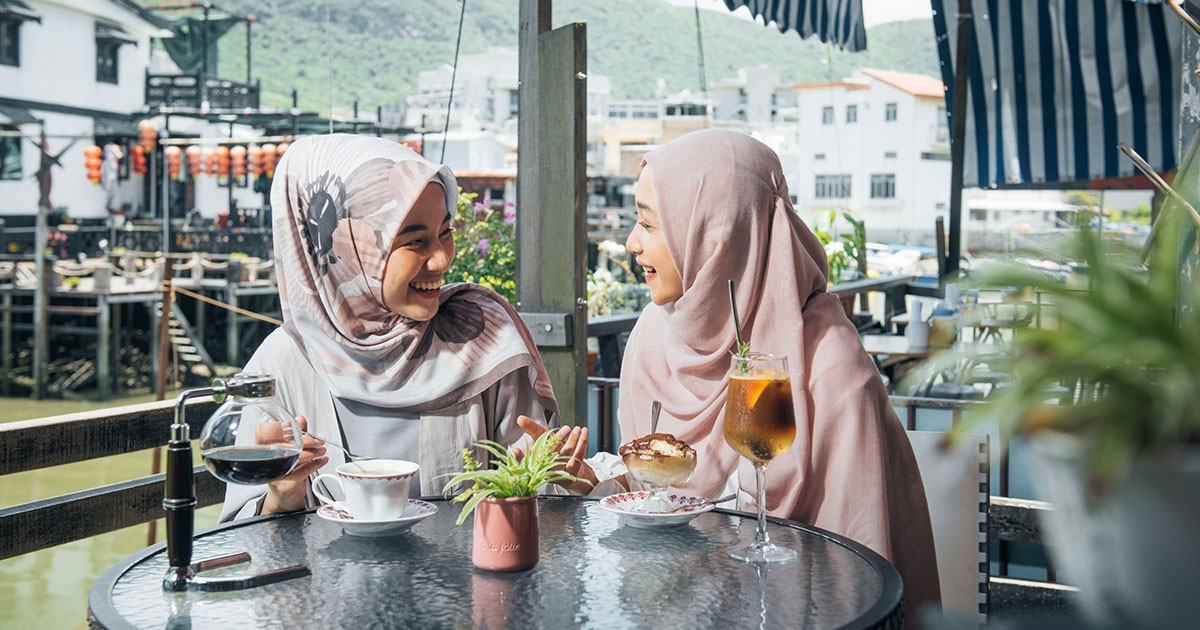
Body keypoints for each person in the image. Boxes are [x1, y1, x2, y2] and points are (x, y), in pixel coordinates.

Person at [518, 128, 940, 614]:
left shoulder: (829, 371)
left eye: (650, 225)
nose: (632, 243)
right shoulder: (654, 337)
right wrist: (591, 479)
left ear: (716, 236)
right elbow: (664, 502)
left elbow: (852, 582)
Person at [220, 134, 562, 521]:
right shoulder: (281, 364)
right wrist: (282, 496)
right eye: (415, 241)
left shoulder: (483, 336)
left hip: (471, 581)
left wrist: (550, 476)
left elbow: (544, 503)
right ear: (339, 248)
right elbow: (241, 539)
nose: (441, 260)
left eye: (445, 232)